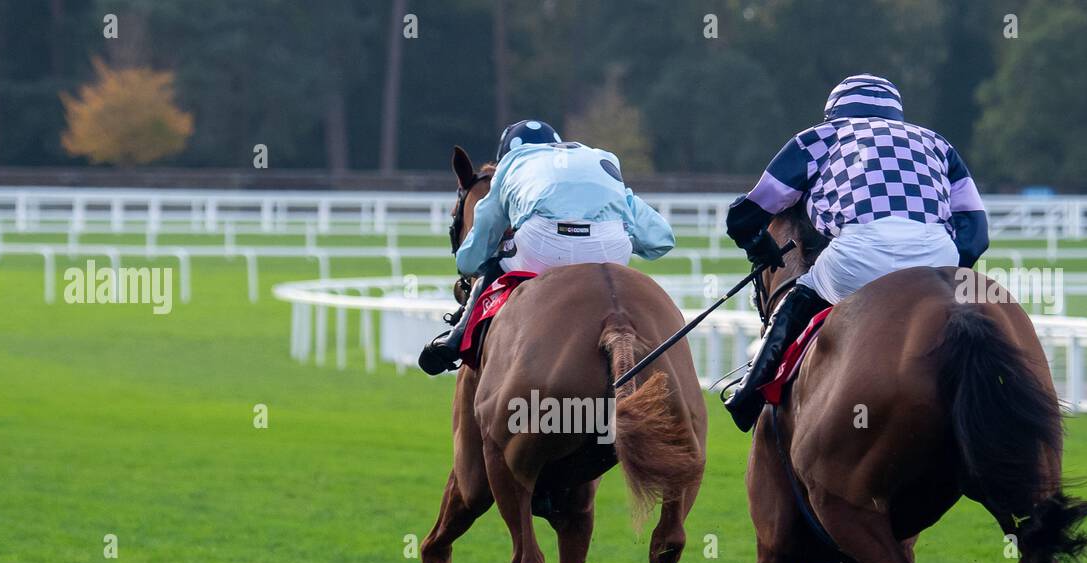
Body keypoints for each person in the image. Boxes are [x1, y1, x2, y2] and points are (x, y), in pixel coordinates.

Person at [721, 74, 990, 431]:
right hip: (937, 254)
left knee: (803, 290)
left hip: (861, 253)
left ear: (834, 112)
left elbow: (750, 212)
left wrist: (760, 247)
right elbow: (976, 230)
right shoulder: (937, 143)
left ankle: (749, 394)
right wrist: (947, 275)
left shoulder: (821, 137)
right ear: (897, 115)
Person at [418, 119, 676, 375]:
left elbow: (477, 249)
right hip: (611, 249)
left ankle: (455, 339)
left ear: (505, 156)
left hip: (544, 248)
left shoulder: (511, 164)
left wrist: (469, 260)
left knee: (492, 262)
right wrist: (609, 234)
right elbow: (662, 240)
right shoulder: (601, 159)